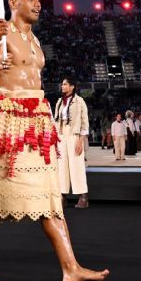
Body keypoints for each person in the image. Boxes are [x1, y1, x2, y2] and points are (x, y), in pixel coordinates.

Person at [0, 0, 109, 281]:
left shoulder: (35, 40)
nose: (38, 3)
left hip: (37, 122)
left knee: (50, 197)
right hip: (8, 122)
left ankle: (70, 268)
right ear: (13, 3)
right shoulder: (1, 33)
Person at [53, 78, 89, 207]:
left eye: (65, 84)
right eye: (62, 84)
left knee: (76, 165)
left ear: (72, 86)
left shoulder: (80, 102)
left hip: (74, 135)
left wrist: (81, 140)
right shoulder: (59, 102)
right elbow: (56, 121)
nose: (62, 86)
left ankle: (83, 196)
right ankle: (62, 196)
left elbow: (85, 123)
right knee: (62, 166)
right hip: (61, 135)